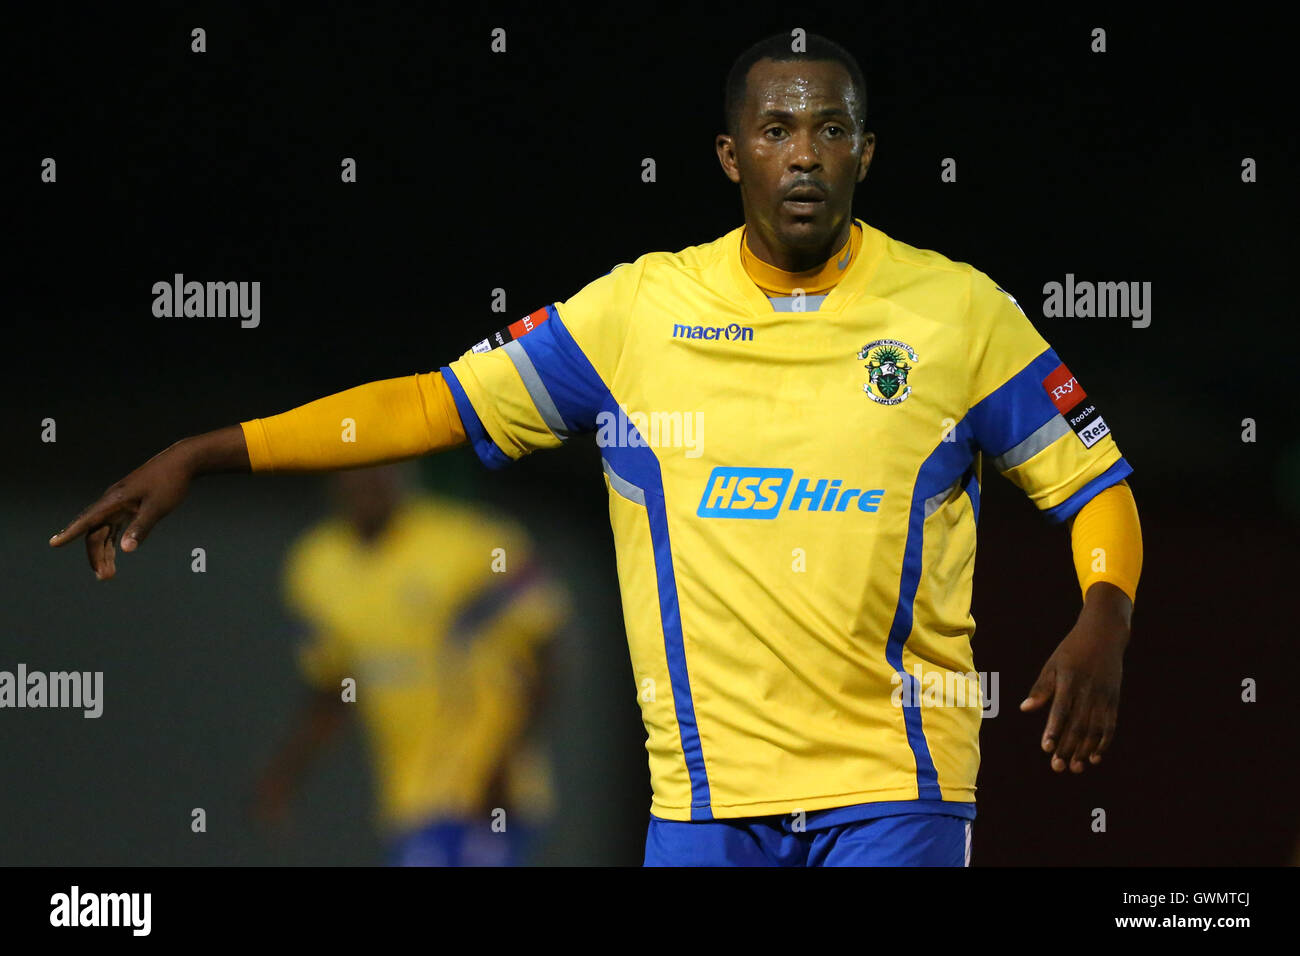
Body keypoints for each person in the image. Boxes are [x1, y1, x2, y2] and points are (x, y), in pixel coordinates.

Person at [50, 32, 1142, 866]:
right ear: (730, 154)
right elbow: (430, 405)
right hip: (705, 798)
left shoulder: (956, 313)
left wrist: (1103, 610)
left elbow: (1092, 482)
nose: (801, 155)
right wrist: (208, 449)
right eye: (774, 131)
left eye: (827, 129)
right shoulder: (635, 314)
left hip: (896, 784)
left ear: (866, 148)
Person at [251, 463, 566, 866]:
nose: (368, 479)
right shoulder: (317, 564)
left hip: (488, 792)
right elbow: (334, 687)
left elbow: (550, 646)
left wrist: (506, 759)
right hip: (409, 797)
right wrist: (285, 774)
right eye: (354, 464)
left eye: (383, 461)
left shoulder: (470, 541)